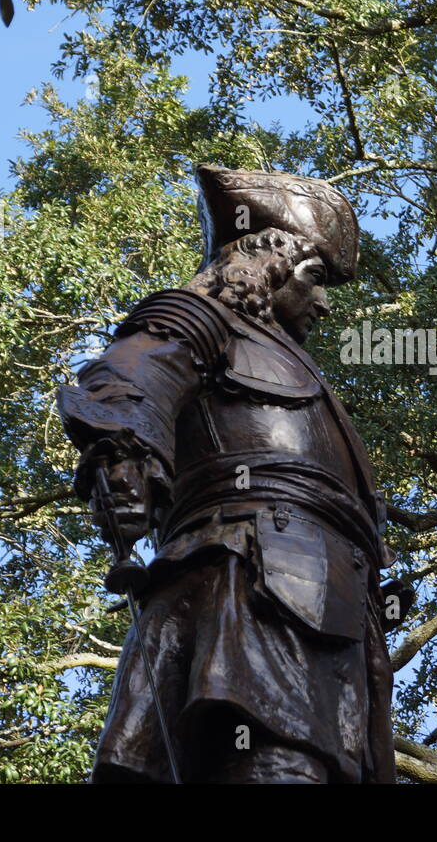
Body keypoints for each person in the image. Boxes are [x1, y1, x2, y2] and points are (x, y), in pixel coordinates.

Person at [57, 164, 402, 783]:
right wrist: (122, 456)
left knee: (325, 761)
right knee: (276, 754)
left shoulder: (295, 361)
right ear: (269, 265)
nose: (323, 303)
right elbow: (134, 373)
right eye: (315, 278)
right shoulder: (208, 320)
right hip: (253, 571)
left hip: (336, 597)